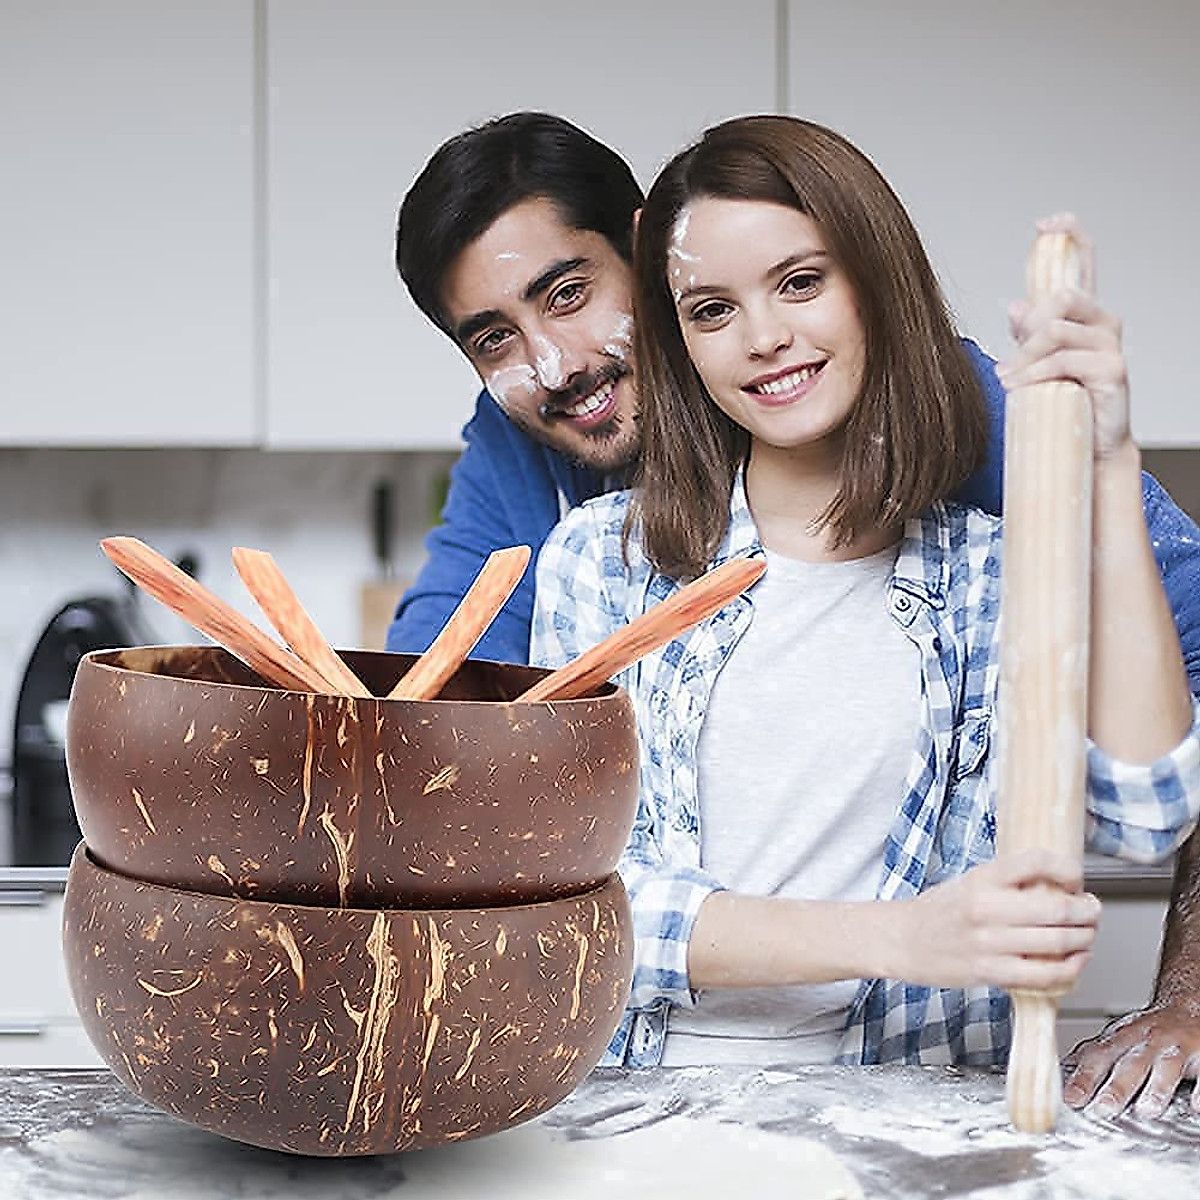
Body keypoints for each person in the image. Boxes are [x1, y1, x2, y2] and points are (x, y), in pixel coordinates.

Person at [388, 112, 1200, 1106]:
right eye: (715, 309)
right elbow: (504, 849)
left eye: (802, 282)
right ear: (682, 316)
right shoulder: (592, 554)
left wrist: (1102, 462)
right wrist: (905, 938)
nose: (555, 363)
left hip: (907, 1103)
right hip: (630, 1103)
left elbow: (1151, 808)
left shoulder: (999, 516)